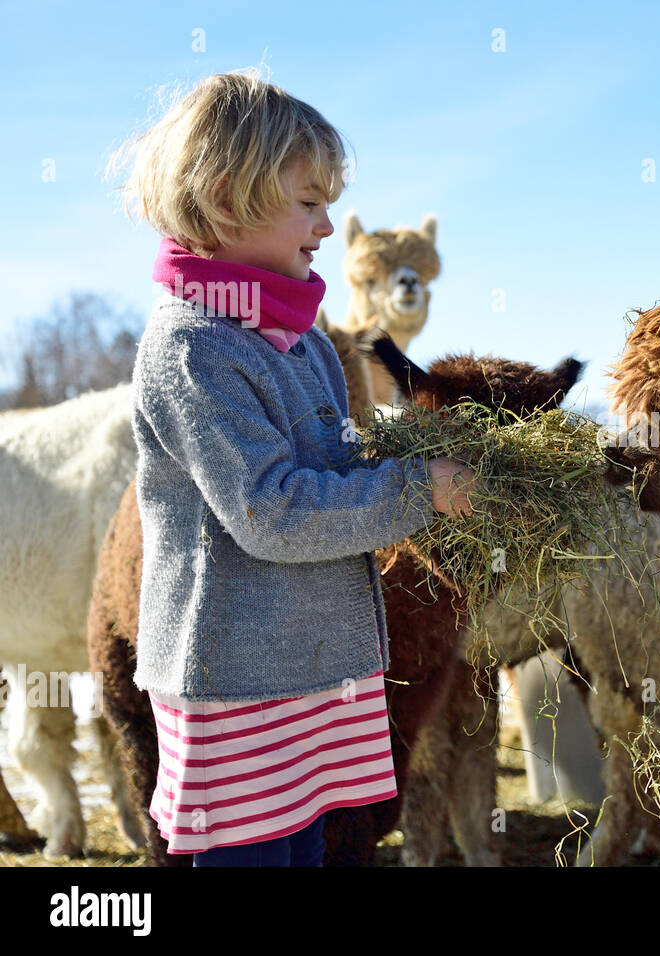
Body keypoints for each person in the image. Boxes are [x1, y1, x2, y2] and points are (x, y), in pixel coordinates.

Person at [110, 68, 472, 866]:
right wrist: (419, 490)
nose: (329, 225)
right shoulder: (193, 347)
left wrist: (410, 452)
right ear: (226, 195)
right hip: (238, 678)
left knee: (304, 848)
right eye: (309, 203)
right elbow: (270, 509)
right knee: (256, 855)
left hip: (309, 664)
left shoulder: (300, 333)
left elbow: (333, 459)